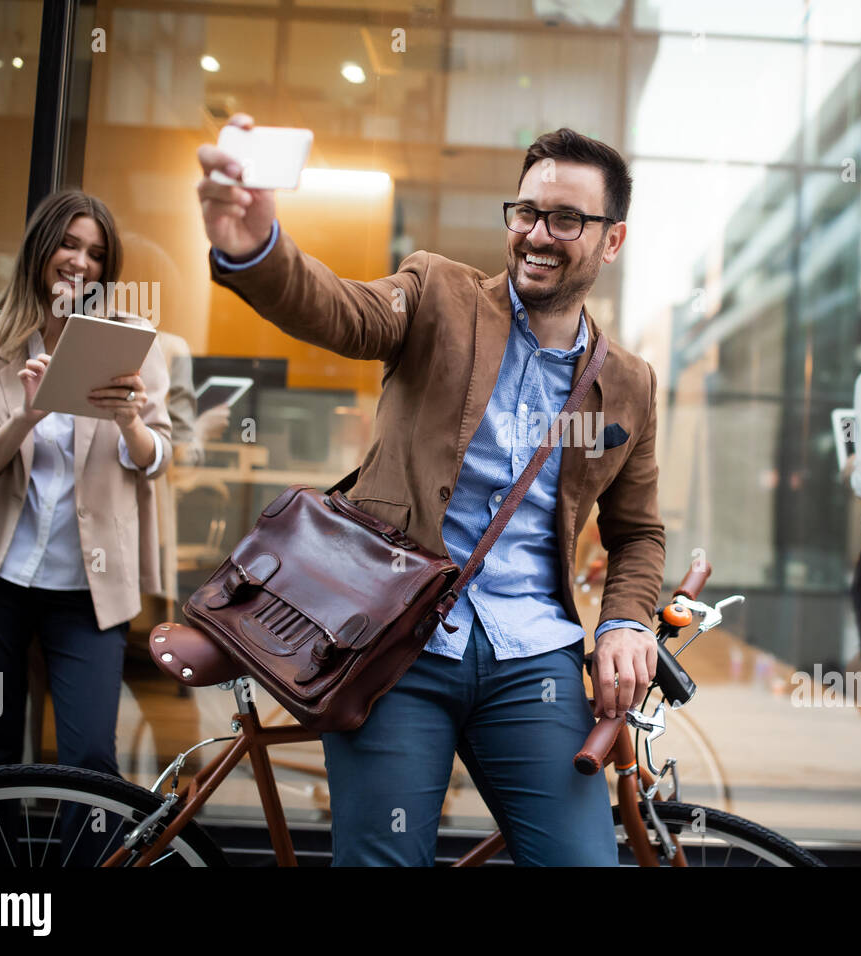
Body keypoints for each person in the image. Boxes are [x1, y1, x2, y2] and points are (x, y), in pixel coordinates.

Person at [196, 116, 664, 866]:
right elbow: (340, 311)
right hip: (395, 643)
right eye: (527, 212)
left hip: (533, 658)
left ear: (612, 240)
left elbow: (637, 532)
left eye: (567, 218)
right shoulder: (439, 297)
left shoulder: (628, 384)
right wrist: (255, 248)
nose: (538, 234)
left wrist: (625, 624)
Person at [0, 189, 173, 778]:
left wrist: (129, 419)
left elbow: (156, 458)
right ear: (42, 247)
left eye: (94, 253)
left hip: (89, 588)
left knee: (91, 759)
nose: (79, 261)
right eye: (68, 243)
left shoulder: (131, 340)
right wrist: (27, 416)